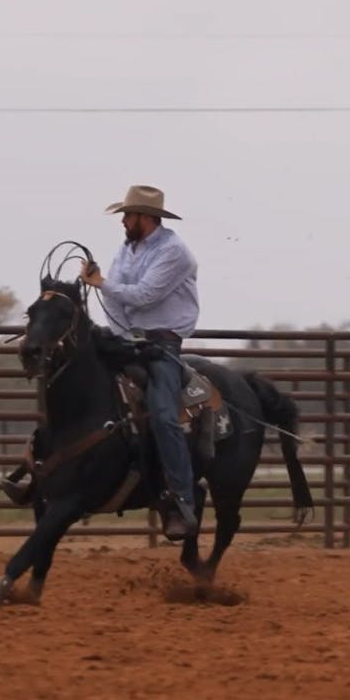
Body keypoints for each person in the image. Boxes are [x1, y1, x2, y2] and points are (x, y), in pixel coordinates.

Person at [80, 184, 200, 540]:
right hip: (129, 339)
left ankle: (182, 499)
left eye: (127, 215)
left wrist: (100, 283)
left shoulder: (176, 252)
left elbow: (145, 297)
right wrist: (118, 335)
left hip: (162, 343)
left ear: (145, 218)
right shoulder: (127, 249)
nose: (123, 222)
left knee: (164, 415)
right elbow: (117, 299)